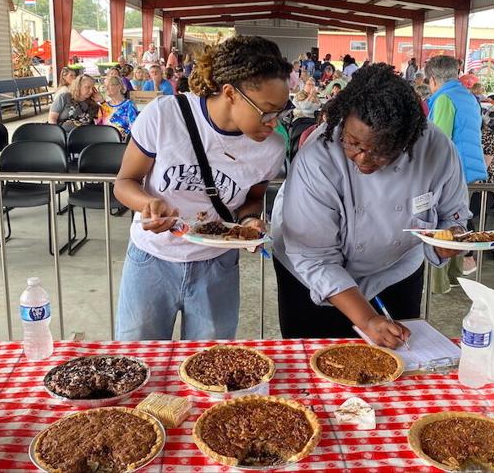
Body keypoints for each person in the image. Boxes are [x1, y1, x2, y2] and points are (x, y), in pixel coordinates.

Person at [271, 63, 470, 347]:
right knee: (317, 356)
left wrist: (449, 240)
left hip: (396, 270)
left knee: (399, 354)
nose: (363, 158)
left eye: (380, 151)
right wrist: (366, 319)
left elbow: (453, 214)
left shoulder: (435, 148)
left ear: (406, 142)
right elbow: (314, 257)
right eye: (352, 143)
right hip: (310, 272)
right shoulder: (318, 157)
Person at [112, 35, 291, 341]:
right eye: (267, 111)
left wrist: (250, 221)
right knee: (138, 354)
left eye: (281, 112)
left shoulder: (271, 148)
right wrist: (147, 205)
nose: (274, 123)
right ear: (230, 93)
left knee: (210, 360)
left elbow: (253, 199)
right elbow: (124, 182)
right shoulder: (165, 115)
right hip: (152, 258)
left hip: (216, 265)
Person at [425, 55, 487, 292]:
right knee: (458, 223)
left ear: (432, 79)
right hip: (468, 170)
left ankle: (438, 283)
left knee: (441, 226)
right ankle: (455, 274)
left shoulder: (444, 99)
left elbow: (439, 142)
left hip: (450, 174)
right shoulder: (468, 97)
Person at [97, 75, 139, 141]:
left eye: (110, 85)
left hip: (123, 143)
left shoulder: (129, 105)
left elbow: (134, 128)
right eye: (105, 86)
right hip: (105, 142)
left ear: (119, 87)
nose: (106, 88)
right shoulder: (103, 106)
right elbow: (98, 129)